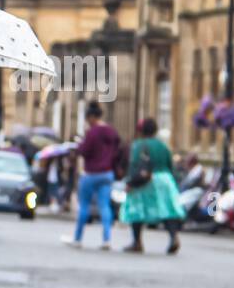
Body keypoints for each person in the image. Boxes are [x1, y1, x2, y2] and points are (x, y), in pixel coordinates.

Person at [120, 118, 185, 254]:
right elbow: (170, 165)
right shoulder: (163, 146)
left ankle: (137, 242)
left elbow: (134, 165)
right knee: (168, 210)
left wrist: (130, 182)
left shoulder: (138, 145)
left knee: (137, 209)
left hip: (147, 179)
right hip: (165, 179)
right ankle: (174, 237)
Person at [63, 102, 120, 250]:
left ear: (92, 117)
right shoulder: (112, 132)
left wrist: (80, 145)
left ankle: (77, 238)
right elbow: (117, 150)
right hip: (107, 173)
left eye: (87, 118)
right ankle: (106, 239)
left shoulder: (92, 132)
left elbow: (84, 151)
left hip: (91, 173)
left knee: (84, 206)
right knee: (104, 206)